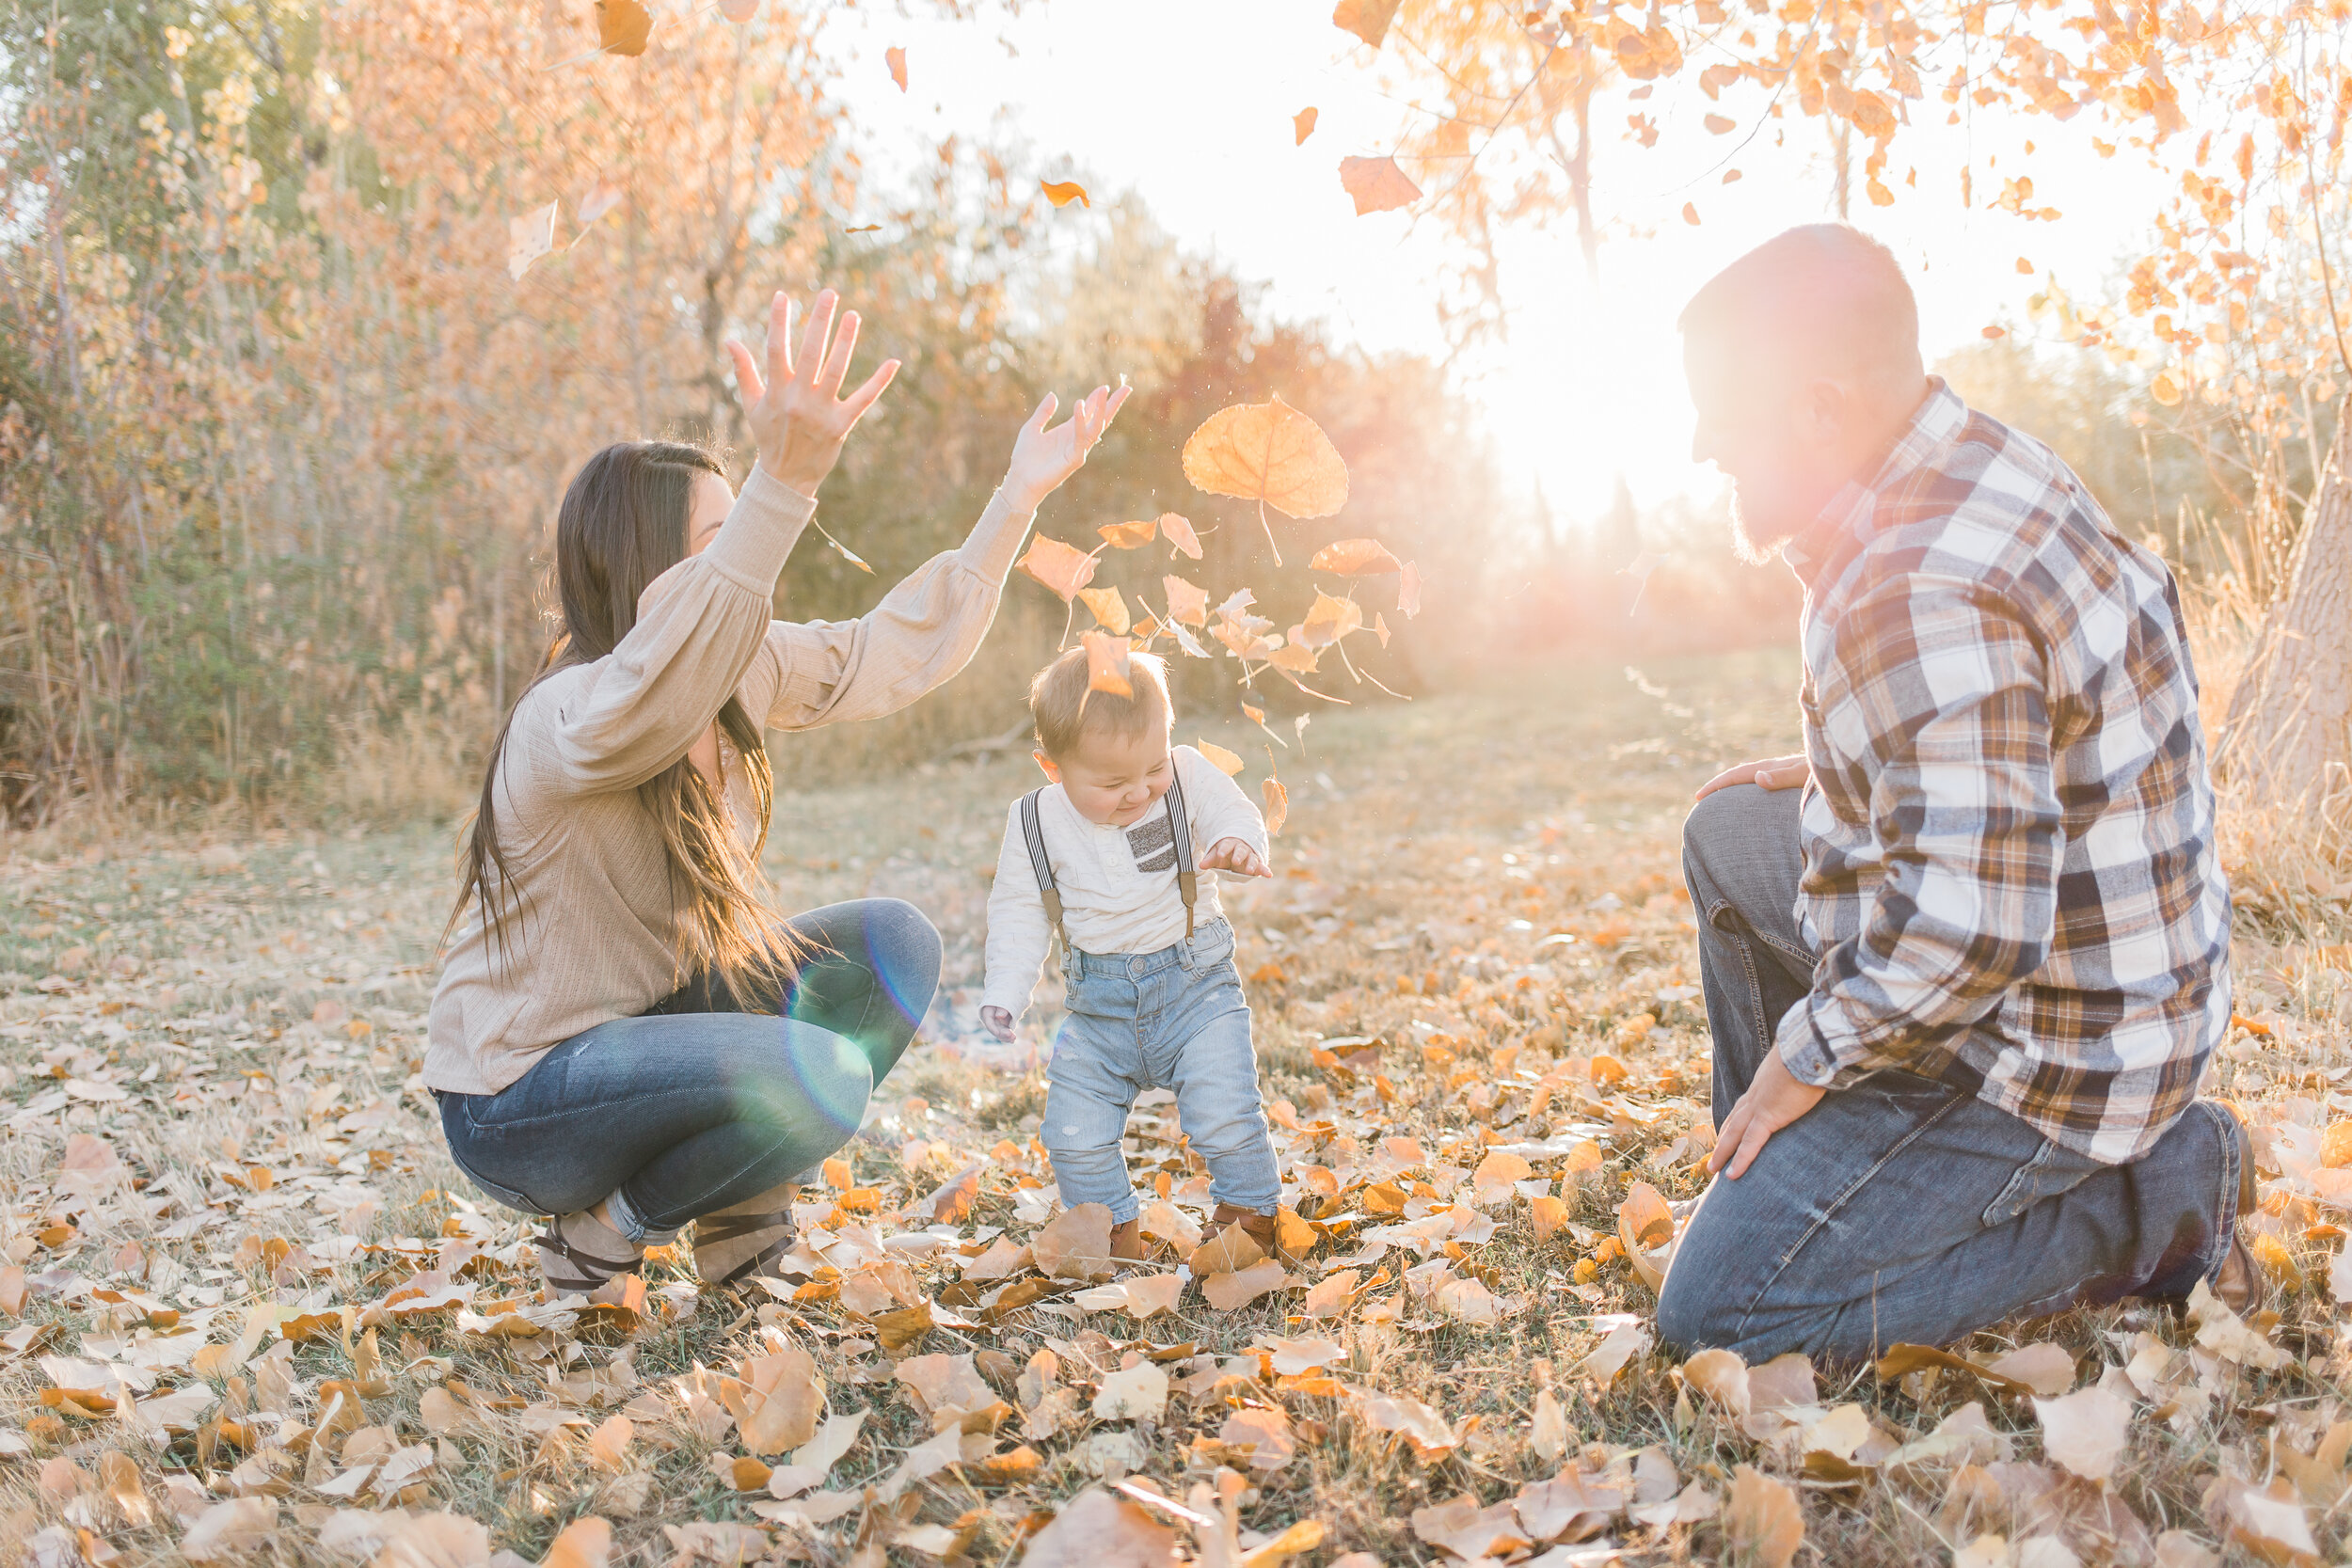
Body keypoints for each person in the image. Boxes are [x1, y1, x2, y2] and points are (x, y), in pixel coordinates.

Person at [424, 288, 1130, 1295]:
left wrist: (1015, 499)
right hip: (521, 1102)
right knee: (820, 1072)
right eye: (724, 538)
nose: (753, 564)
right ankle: (603, 1231)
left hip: (649, 1036)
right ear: (644, 565)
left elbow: (894, 648)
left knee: (892, 950)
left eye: (745, 532)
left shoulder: (741, 671)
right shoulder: (569, 713)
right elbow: (655, 690)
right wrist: (783, 480)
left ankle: (734, 1216)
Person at [1654, 225, 2249, 1362]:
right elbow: (2030, 713)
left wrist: (1804, 1056)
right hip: (2094, 958)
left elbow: (1969, 935)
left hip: (2060, 1046)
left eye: (1722, 411)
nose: (1699, 444)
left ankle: (2163, 1193)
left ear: (1820, 407)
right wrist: (1862, 762)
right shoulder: (1971, 463)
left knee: (1720, 1320)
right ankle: (1788, 1184)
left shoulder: (1916, 581)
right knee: (1731, 836)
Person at [977, 647, 1282, 1261]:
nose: (1140, 791)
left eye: (1152, 767)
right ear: (1052, 767)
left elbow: (1232, 810)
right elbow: (1018, 909)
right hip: (1099, 1013)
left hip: (1197, 990)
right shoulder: (1034, 820)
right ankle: (1111, 1233)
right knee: (1072, 1133)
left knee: (1224, 1113)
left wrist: (1237, 839)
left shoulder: (1187, 775)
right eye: (1113, 783)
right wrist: (1005, 991)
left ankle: (1249, 1217)